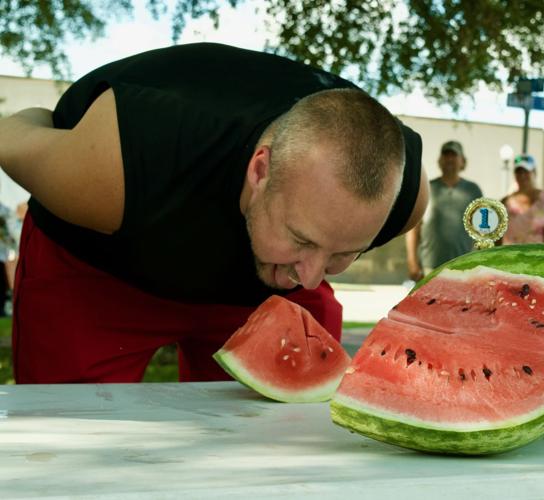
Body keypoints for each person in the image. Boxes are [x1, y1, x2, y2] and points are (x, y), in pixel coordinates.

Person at [0, 43, 428, 383]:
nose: (315, 278)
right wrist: (43, 117)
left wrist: (310, 246)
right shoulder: (115, 164)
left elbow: (310, 266)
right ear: (260, 170)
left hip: (255, 281)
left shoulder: (403, 196)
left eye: (344, 254)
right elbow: (13, 136)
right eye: (302, 238)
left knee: (280, 444)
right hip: (102, 269)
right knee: (72, 441)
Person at [405, 140, 482, 281]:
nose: (450, 159)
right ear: (440, 161)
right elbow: (413, 228)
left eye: (454, 155)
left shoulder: (473, 190)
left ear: (463, 161)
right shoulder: (426, 187)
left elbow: (482, 232)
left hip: (464, 268)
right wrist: (412, 262)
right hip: (429, 267)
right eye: (446, 155)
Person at [501, 154, 544, 244]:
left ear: (534, 173)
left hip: (540, 255)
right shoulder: (505, 202)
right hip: (511, 256)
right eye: (519, 172)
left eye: (526, 171)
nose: (522, 175)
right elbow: (496, 237)